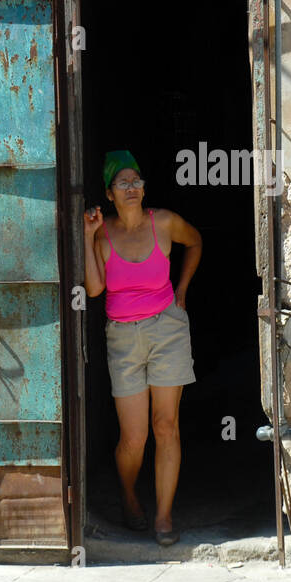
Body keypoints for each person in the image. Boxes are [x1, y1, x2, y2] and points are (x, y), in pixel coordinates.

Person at [83, 149, 202, 546]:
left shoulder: (164, 223)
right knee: (133, 438)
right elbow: (96, 289)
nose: (132, 187)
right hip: (123, 338)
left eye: (136, 180)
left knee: (165, 426)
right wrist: (87, 236)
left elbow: (197, 241)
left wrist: (182, 289)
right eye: (123, 182)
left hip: (167, 329)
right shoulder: (103, 235)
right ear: (109, 193)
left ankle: (164, 517)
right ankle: (129, 495)